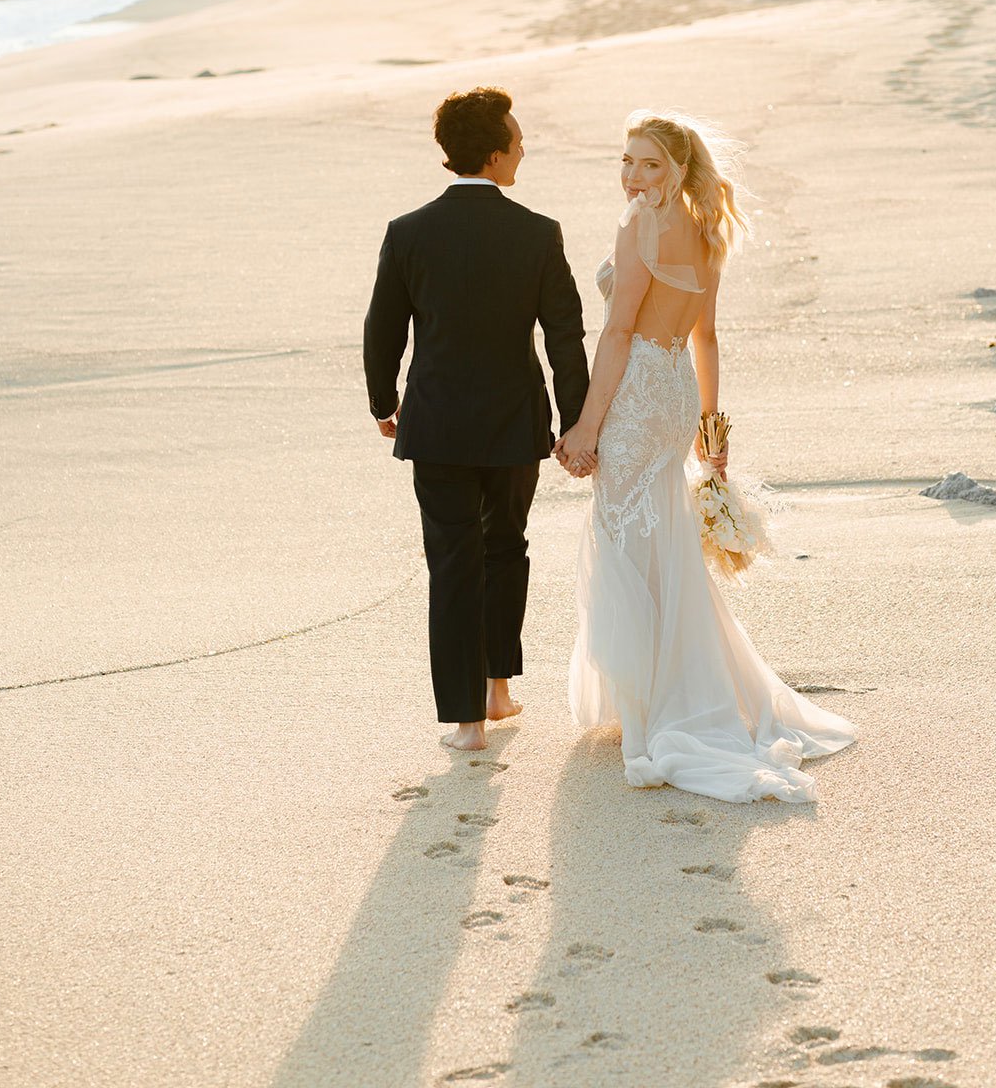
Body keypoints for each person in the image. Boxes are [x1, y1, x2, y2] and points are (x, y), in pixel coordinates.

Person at [559, 110, 858, 802]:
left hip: (637, 391)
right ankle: (678, 688)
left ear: (678, 168)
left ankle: (649, 712)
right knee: (659, 537)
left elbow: (617, 334)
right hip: (675, 392)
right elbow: (706, 338)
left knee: (625, 538)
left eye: (649, 163)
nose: (633, 176)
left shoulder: (639, 223)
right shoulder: (708, 228)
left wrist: (585, 427)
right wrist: (708, 427)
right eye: (626, 160)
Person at [363, 87, 590, 752]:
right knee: (505, 548)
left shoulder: (408, 232)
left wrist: (384, 404)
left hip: (434, 423)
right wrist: (576, 423)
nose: (522, 151)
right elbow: (565, 336)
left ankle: (468, 722)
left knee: (452, 562)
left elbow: (382, 330)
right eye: (517, 143)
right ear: (493, 155)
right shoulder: (537, 233)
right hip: (514, 423)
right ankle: (497, 688)